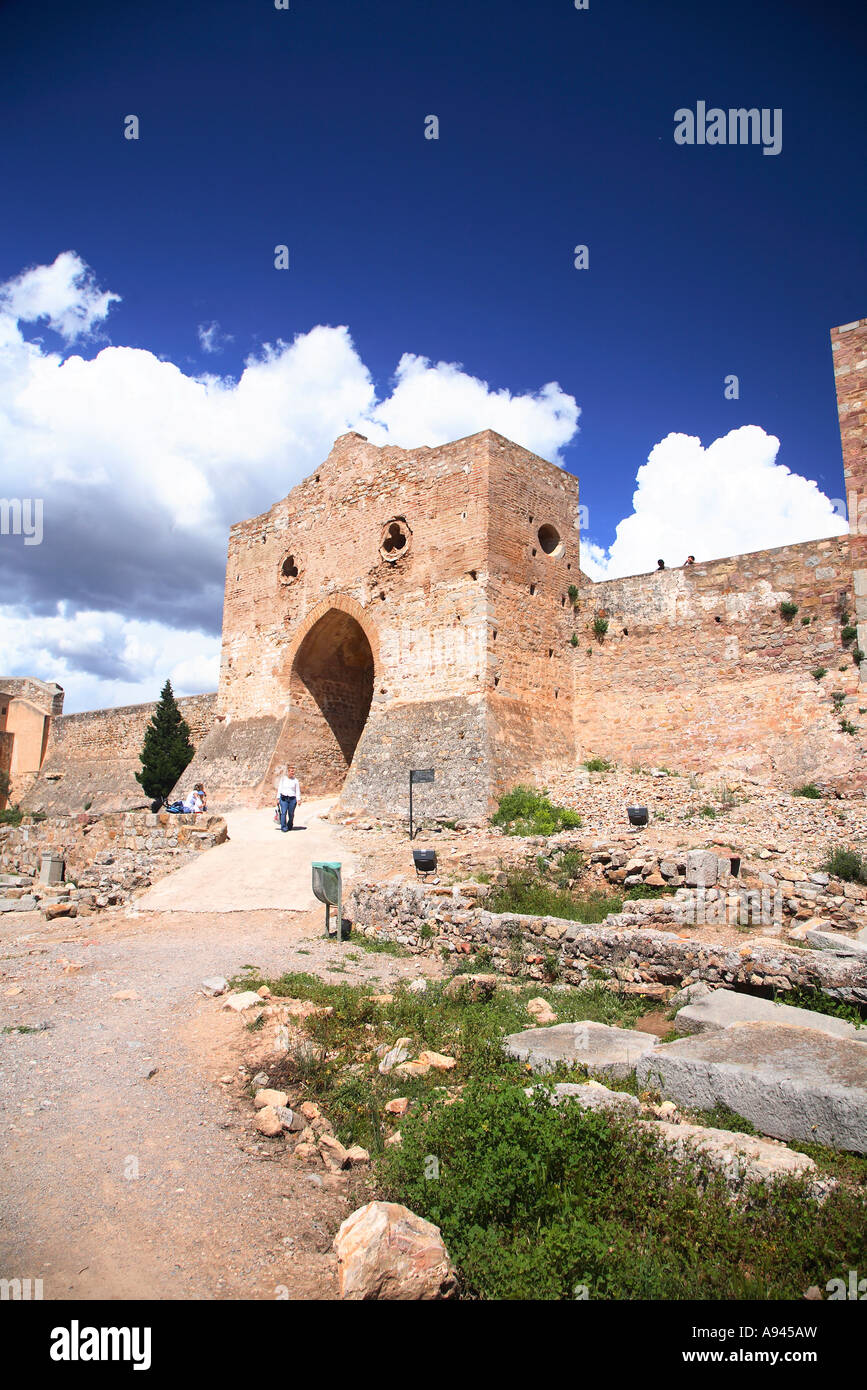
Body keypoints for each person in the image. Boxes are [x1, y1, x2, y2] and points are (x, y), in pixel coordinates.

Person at [277, 766, 300, 832]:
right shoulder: (283, 779)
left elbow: (297, 790)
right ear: (288, 772)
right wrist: (278, 798)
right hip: (284, 798)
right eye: (291, 771)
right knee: (283, 813)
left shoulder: (296, 781)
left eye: (293, 771)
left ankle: (290, 825)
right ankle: (283, 827)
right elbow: (280, 788)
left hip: (292, 799)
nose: (293, 772)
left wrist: (298, 800)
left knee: (291, 813)